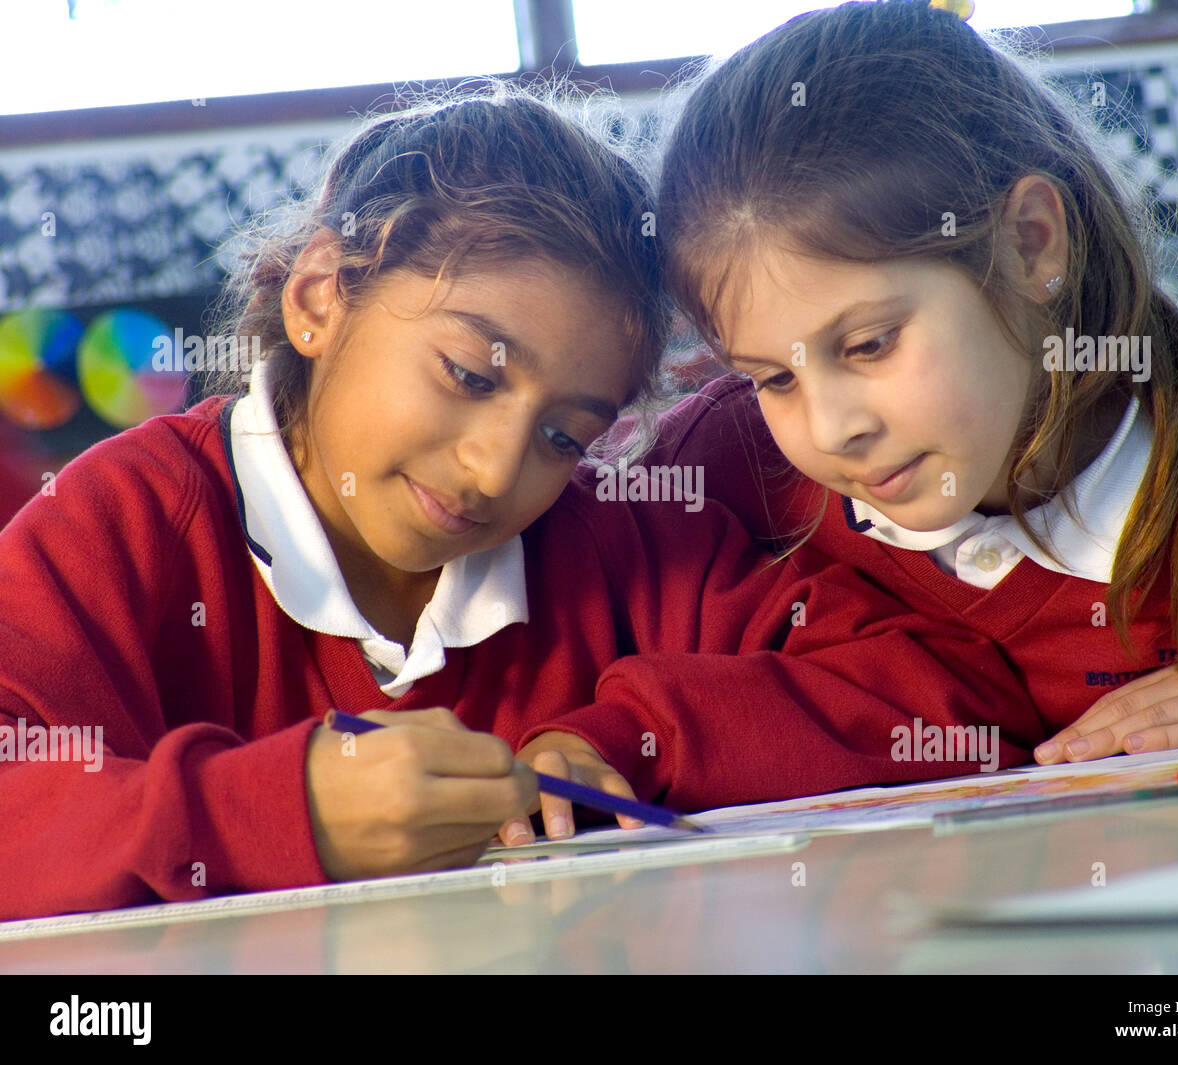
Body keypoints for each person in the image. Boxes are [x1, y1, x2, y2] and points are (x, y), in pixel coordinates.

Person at [0, 86, 1039, 921]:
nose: (498, 470)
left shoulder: (612, 533)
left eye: (564, 433)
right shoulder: (134, 518)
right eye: (470, 375)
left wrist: (631, 738)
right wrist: (271, 814)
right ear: (319, 298)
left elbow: (935, 701)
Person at [650, 0, 1178, 760]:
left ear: (1030, 245)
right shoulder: (730, 460)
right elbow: (534, 530)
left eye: (868, 344)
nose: (831, 430)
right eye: (770, 377)